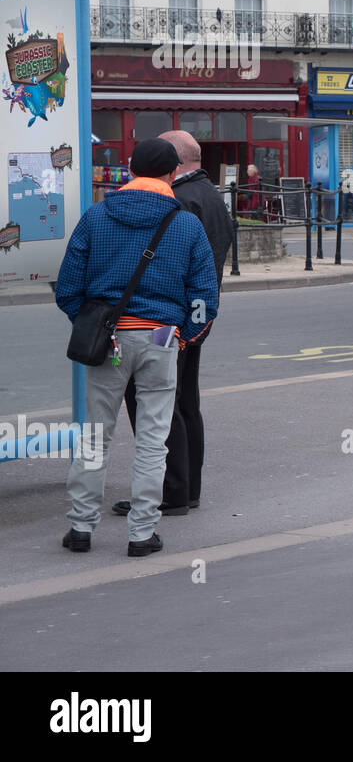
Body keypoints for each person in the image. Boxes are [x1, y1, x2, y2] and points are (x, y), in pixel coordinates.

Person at [55, 138, 218, 557]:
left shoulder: (96, 216)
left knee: (95, 433)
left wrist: (92, 325)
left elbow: (69, 287)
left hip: (108, 340)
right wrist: (183, 336)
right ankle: (141, 533)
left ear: (129, 168)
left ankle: (80, 527)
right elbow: (203, 294)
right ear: (172, 173)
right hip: (161, 337)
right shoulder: (184, 224)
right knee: (152, 437)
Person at [112, 131, 231, 518]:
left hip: (167, 321)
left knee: (156, 403)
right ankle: (187, 487)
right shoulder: (211, 195)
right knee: (185, 403)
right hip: (195, 316)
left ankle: (169, 491)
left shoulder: (180, 200)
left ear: (174, 161)